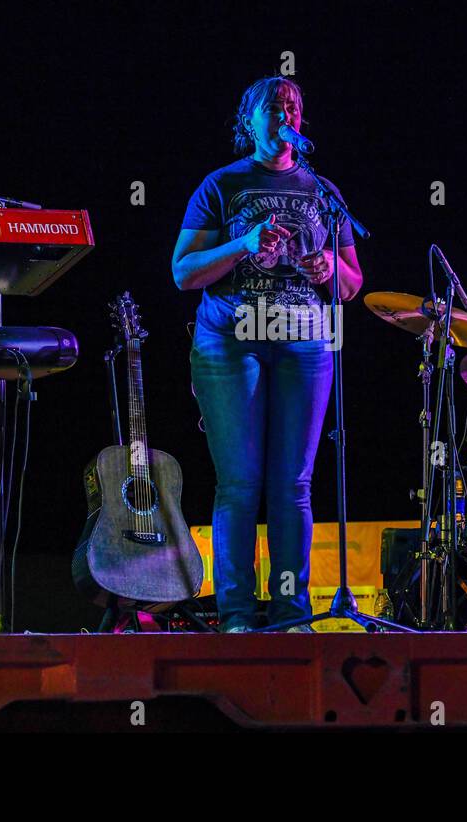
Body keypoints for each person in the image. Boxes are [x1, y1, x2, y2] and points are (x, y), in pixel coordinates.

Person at [172, 77, 363, 633]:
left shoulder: (323, 192)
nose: (285, 116)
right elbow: (183, 272)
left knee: (294, 484)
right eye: (273, 109)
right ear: (249, 120)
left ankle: (290, 613)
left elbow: (352, 284)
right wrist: (244, 245)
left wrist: (328, 270)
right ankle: (235, 615)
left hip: (304, 342)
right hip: (231, 344)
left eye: (293, 109)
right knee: (240, 482)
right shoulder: (222, 184)